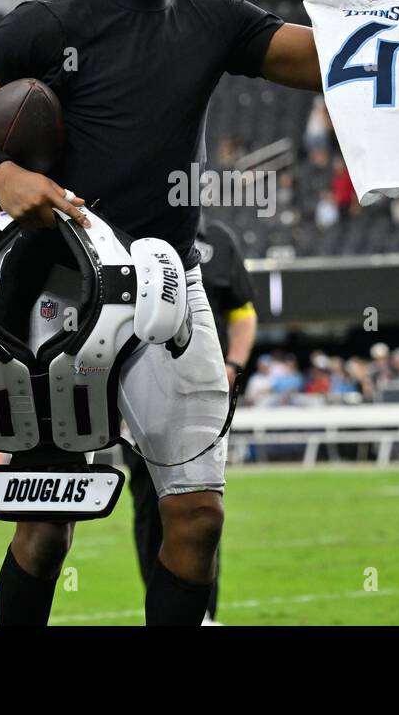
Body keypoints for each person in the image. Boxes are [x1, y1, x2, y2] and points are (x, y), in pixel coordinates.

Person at [0, 0, 333, 626]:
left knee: (198, 518)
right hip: (59, 292)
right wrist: (0, 171)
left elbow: (336, 62)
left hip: (171, 286)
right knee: (46, 523)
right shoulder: (55, 22)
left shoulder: (213, 21)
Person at [126, 217, 256, 625]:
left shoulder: (218, 239)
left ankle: (203, 615)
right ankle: (167, 609)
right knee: (150, 505)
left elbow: (243, 312)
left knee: (203, 506)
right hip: (138, 390)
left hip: (199, 391)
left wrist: (232, 364)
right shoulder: (122, 231)